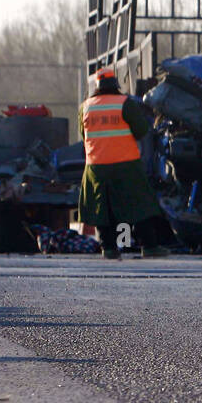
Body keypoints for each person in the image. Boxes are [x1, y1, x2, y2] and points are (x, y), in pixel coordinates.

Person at [77, 67, 167, 259]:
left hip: (96, 167)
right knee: (139, 204)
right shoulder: (125, 103)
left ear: (97, 86)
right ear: (115, 84)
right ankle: (150, 247)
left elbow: (83, 135)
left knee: (102, 207)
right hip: (126, 164)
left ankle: (108, 248)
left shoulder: (85, 107)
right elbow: (142, 130)